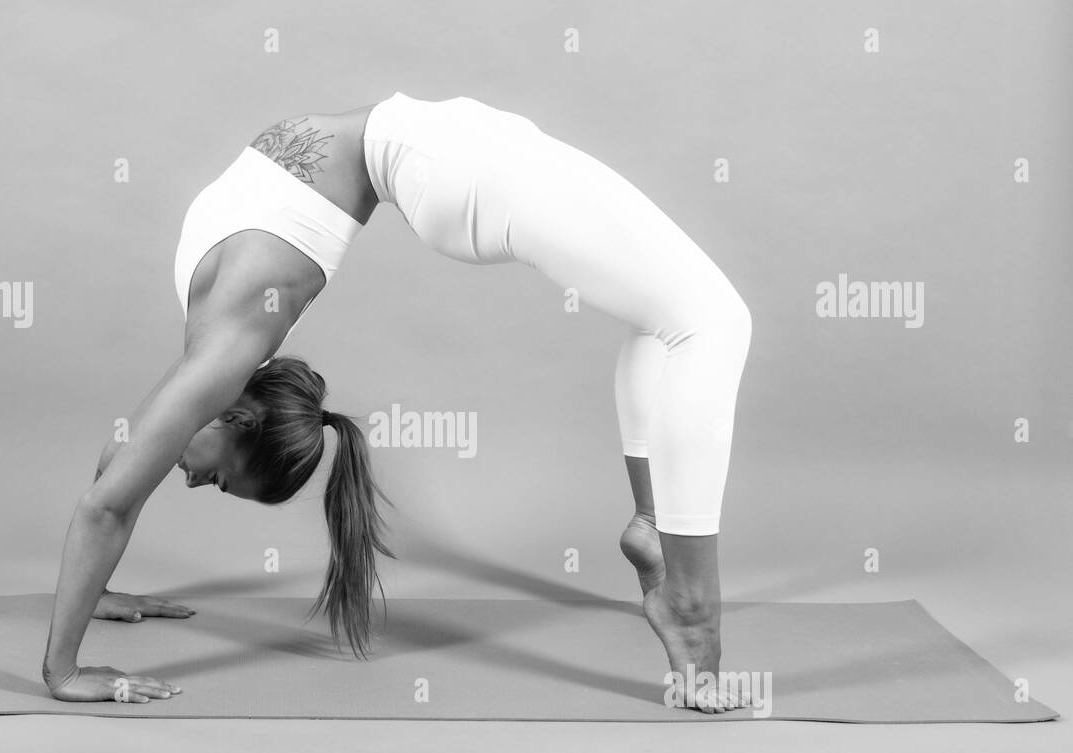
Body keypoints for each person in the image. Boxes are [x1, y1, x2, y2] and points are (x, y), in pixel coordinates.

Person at [42, 92, 753, 713]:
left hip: (451, 164)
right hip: (447, 159)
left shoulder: (222, 356)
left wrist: (65, 669)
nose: (193, 480)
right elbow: (125, 473)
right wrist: (93, 597)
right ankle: (673, 571)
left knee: (689, 320)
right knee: (698, 318)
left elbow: (110, 500)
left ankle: (672, 567)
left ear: (237, 417)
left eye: (218, 479)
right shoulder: (217, 355)